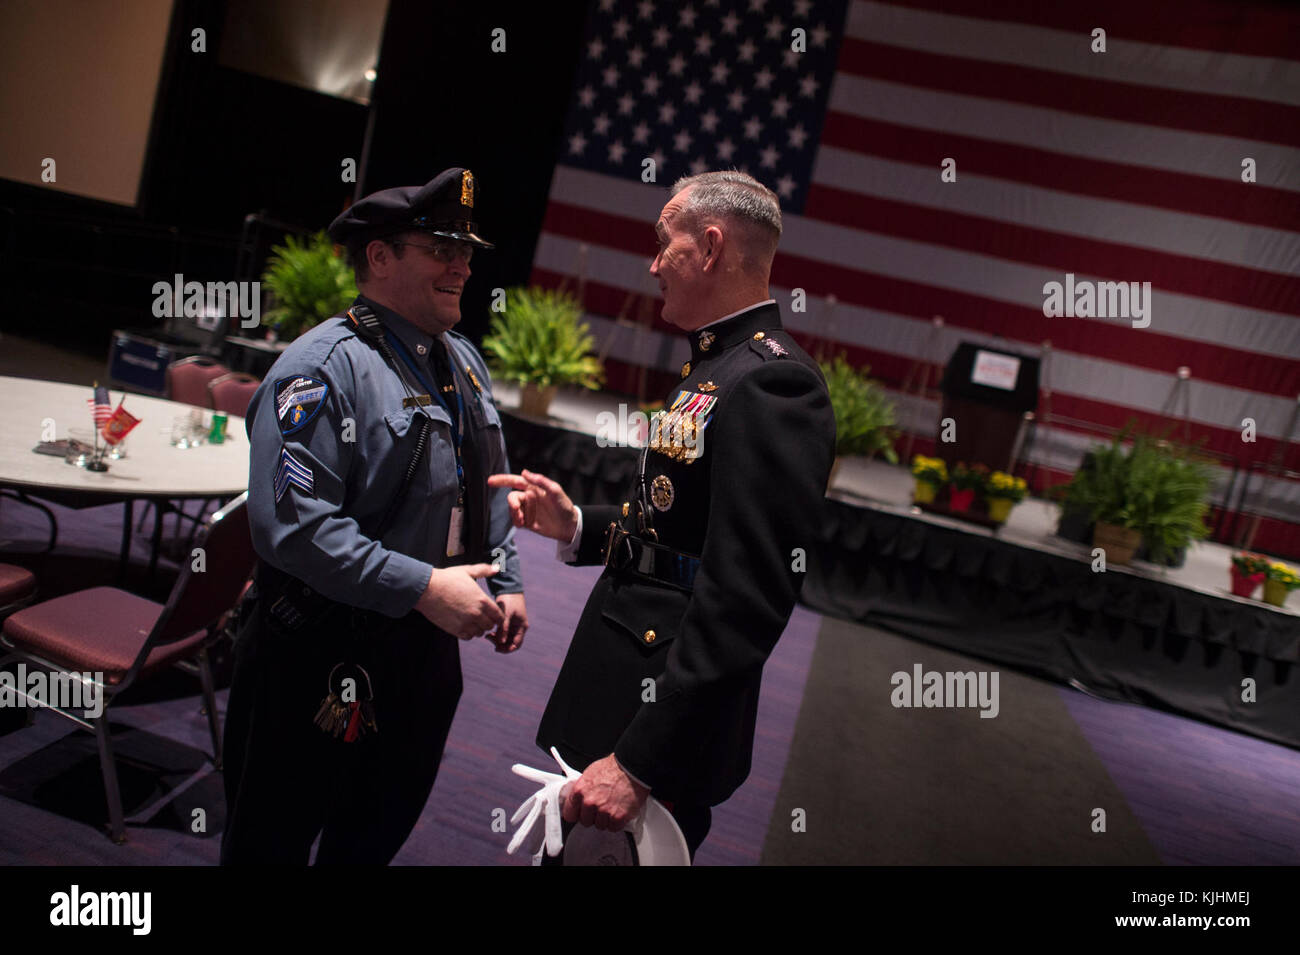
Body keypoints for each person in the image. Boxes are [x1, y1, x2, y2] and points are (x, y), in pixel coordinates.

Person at [490, 170, 835, 859]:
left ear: (710, 247)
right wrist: (579, 526)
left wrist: (640, 760)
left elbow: (746, 595)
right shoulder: (717, 366)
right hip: (623, 687)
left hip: (655, 725)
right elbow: (677, 527)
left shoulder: (772, 382)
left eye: (663, 244)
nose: (652, 265)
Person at [221, 167, 527, 864]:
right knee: (269, 844)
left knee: (369, 842)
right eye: (440, 247)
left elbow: (486, 486)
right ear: (379, 257)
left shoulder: (463, 362)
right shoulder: (321, 369)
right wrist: (422, 586)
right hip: (315, 650)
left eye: (467, 248)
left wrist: (505, 577)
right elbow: (295, 529)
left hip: (422, 657)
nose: (463, 263)